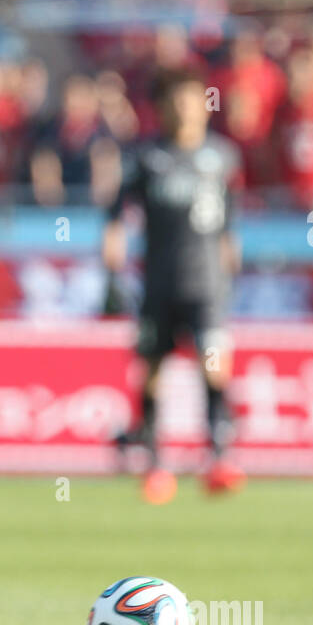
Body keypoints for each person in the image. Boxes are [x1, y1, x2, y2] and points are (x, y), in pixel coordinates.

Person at [102, 68, 245, 504]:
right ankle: (156, 463)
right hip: (159, 283)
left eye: (193, 100)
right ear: (164, 108)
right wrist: (113, 243)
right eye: (177, 101)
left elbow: (229, 219)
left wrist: (230, 257)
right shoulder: (148, 158)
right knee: (151, 370)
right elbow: (115, 211)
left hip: (207, 284)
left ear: (205, 105)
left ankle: (218, 457)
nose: (186, 109)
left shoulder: (222, 157)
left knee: (214, 361)